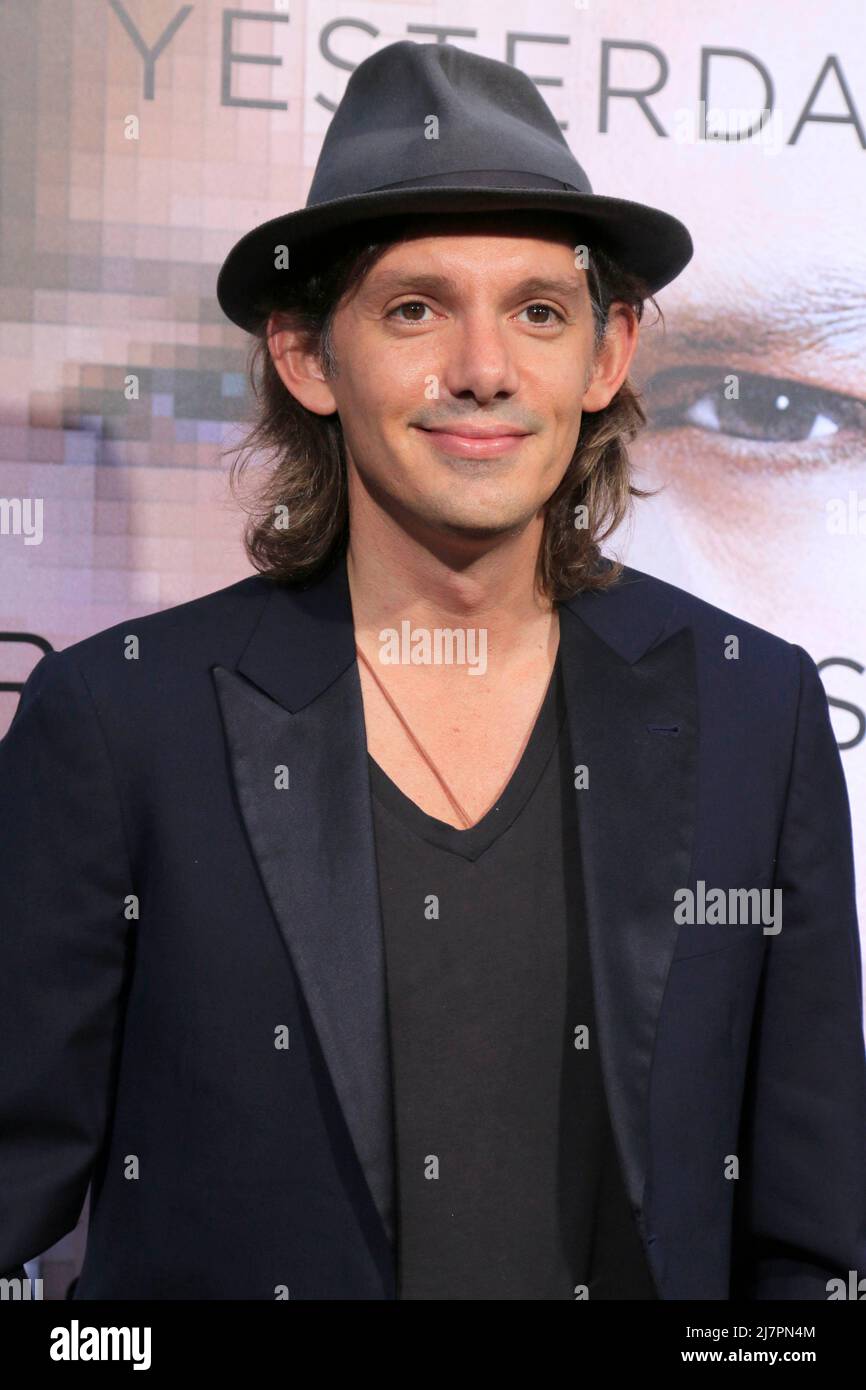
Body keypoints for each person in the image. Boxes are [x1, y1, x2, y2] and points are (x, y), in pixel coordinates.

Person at [1, 39, 864, 1301]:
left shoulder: (753, 710)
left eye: (538, 310)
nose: (483, 368)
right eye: (414, 309)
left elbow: (809, 1238)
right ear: (306, 357)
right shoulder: (119, 721)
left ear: (606, 353)